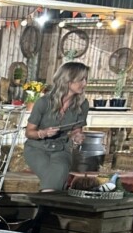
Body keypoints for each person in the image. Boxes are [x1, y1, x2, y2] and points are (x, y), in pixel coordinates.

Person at [22, 61, 89, 191]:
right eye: (81, 79)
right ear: (68, 80)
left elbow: (76, 130)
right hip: (37, 148)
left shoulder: (83, 104)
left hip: (61, 149)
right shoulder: (43, 102)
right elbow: (29, 132)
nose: (85, 84)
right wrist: (43, 133)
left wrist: (77, 137)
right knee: (54, 177)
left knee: (60, 169)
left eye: (86, 79)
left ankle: (44, 210)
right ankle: (48, 209)